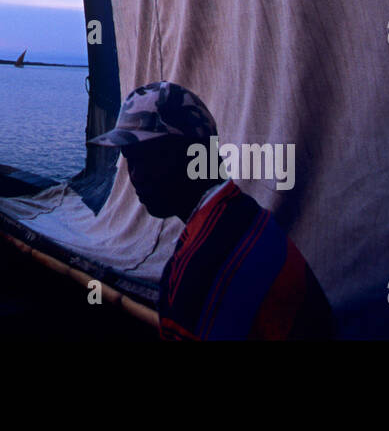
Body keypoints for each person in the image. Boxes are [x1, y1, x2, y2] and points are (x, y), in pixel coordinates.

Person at [89, 81, 334, 340]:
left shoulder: (199, 271)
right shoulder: (247, 217)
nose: (135, 176)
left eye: (149, 157)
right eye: (129, 158)